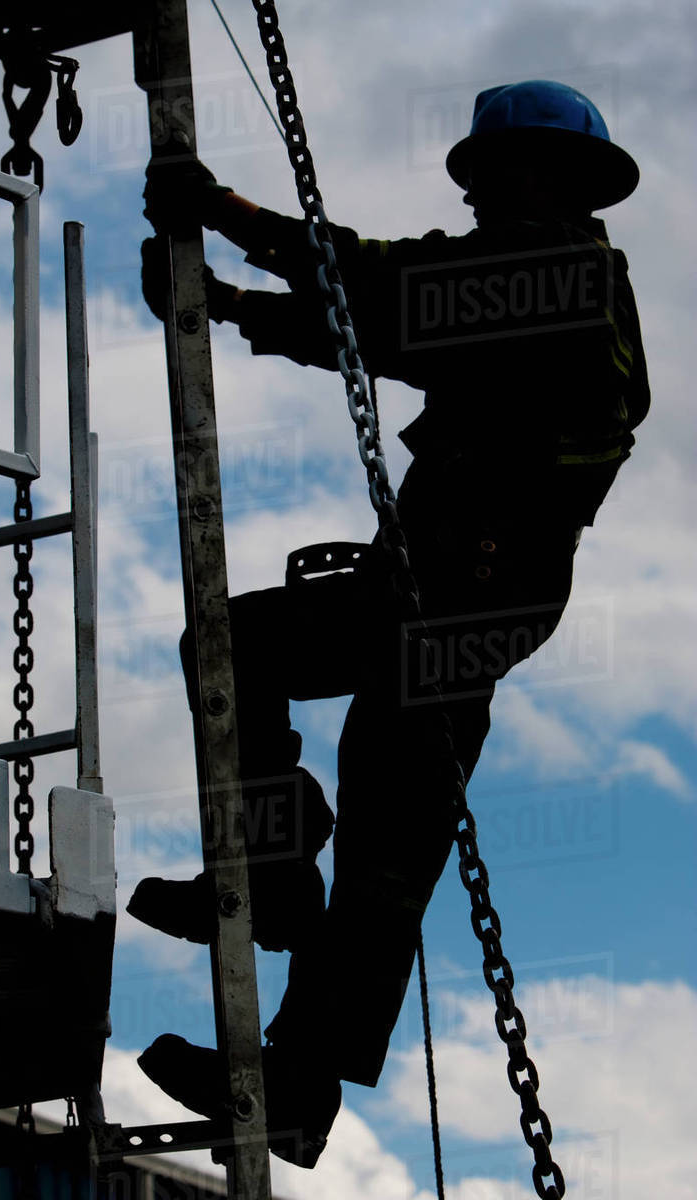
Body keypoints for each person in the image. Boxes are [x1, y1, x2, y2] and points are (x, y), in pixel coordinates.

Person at [128, 80, 649, 1167]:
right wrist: (225, 305)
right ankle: (274, 900)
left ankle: (294, 1045)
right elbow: (384, 323)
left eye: (511, 176)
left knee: (386, 832)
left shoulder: (563, 279)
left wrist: (223, 213)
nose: (490, 197)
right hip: (442, 580)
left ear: (553, 184)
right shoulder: (518, 289)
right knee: (238, 655)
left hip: (474, 591)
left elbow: (383, 287)